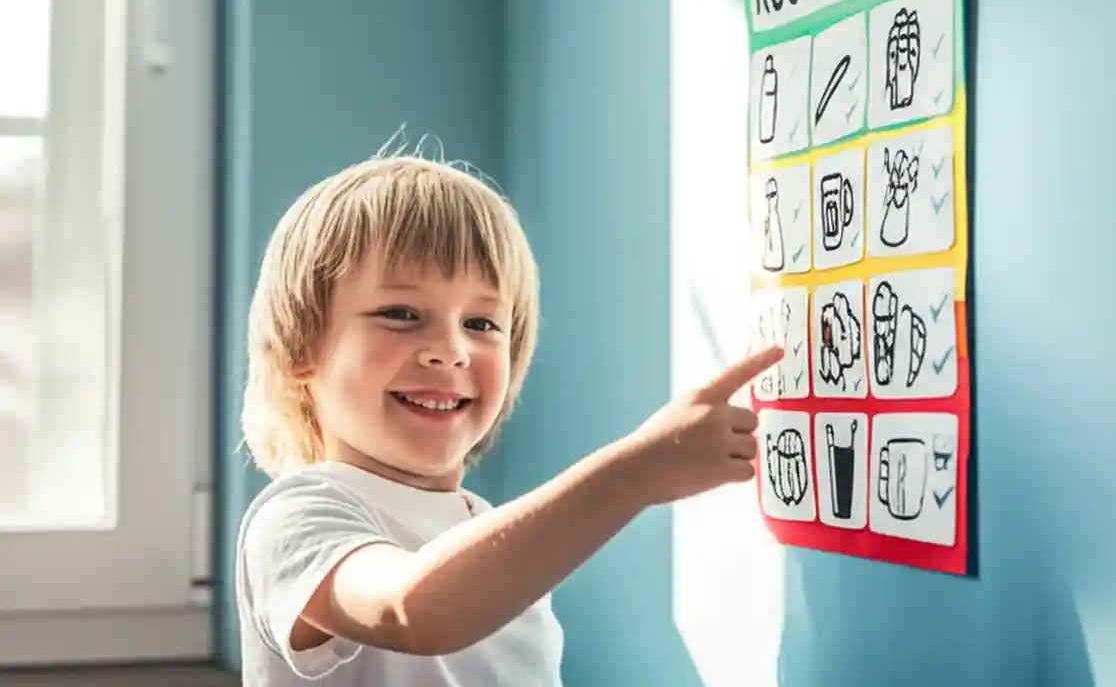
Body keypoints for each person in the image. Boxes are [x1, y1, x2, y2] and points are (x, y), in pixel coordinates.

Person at [233, 153, 783, 685]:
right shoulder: (296, 517)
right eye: (401, 314)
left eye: (481, 323)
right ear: (300, 347)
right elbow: (410, 610)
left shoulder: (483, 528)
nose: (450, 351)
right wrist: (636, 471)